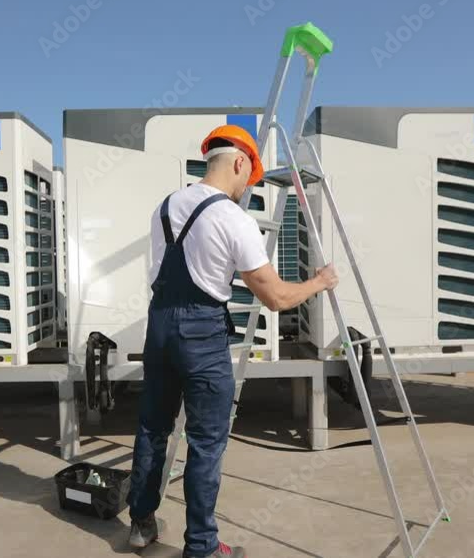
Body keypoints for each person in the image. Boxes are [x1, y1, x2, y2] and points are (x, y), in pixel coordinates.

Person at [126, 124, 339, 557]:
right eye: (249, 178)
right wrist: (318, 282)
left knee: (153, 427)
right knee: (206, 442)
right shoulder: (233, 219)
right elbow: (276, 298)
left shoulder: (165, 206)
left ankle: (141, 524)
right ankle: (202, 547)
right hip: (202, 333)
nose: (247, 188)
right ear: (239, 163)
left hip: (160, 324)